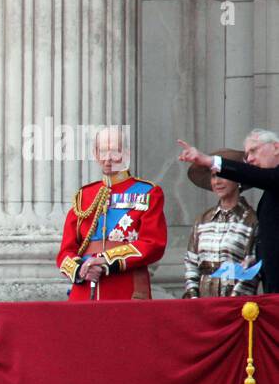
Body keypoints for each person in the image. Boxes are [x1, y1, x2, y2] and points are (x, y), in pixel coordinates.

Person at [57, 126, 167, 300]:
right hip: (85, 289)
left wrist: (105, 259)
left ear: (126, 153)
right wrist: (80, 270)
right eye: (102, 151)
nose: (108, 158)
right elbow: (65, 252)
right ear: (95, 154)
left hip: (126, 287)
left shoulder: (148, 192)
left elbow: (153, 244)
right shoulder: (84, 196)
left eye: (114, 151)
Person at [178, 130, 279, 292]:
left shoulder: (270, 184)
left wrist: (209, 161)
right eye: (247, 154)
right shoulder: (269, 192)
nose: (250, 159)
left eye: (254, 150)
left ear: (276, 147)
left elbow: (265, 177)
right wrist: (256, 259)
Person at [181, 148, 259, 299]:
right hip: (202, 305)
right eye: (213, 176)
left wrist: (234, 301)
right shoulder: (203, 219)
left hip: (237, 305)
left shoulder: (252, 220)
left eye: (222, 175)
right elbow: (191, 262)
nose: (217, 181)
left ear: (238, 179)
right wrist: (192, 296)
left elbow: (252, 268)